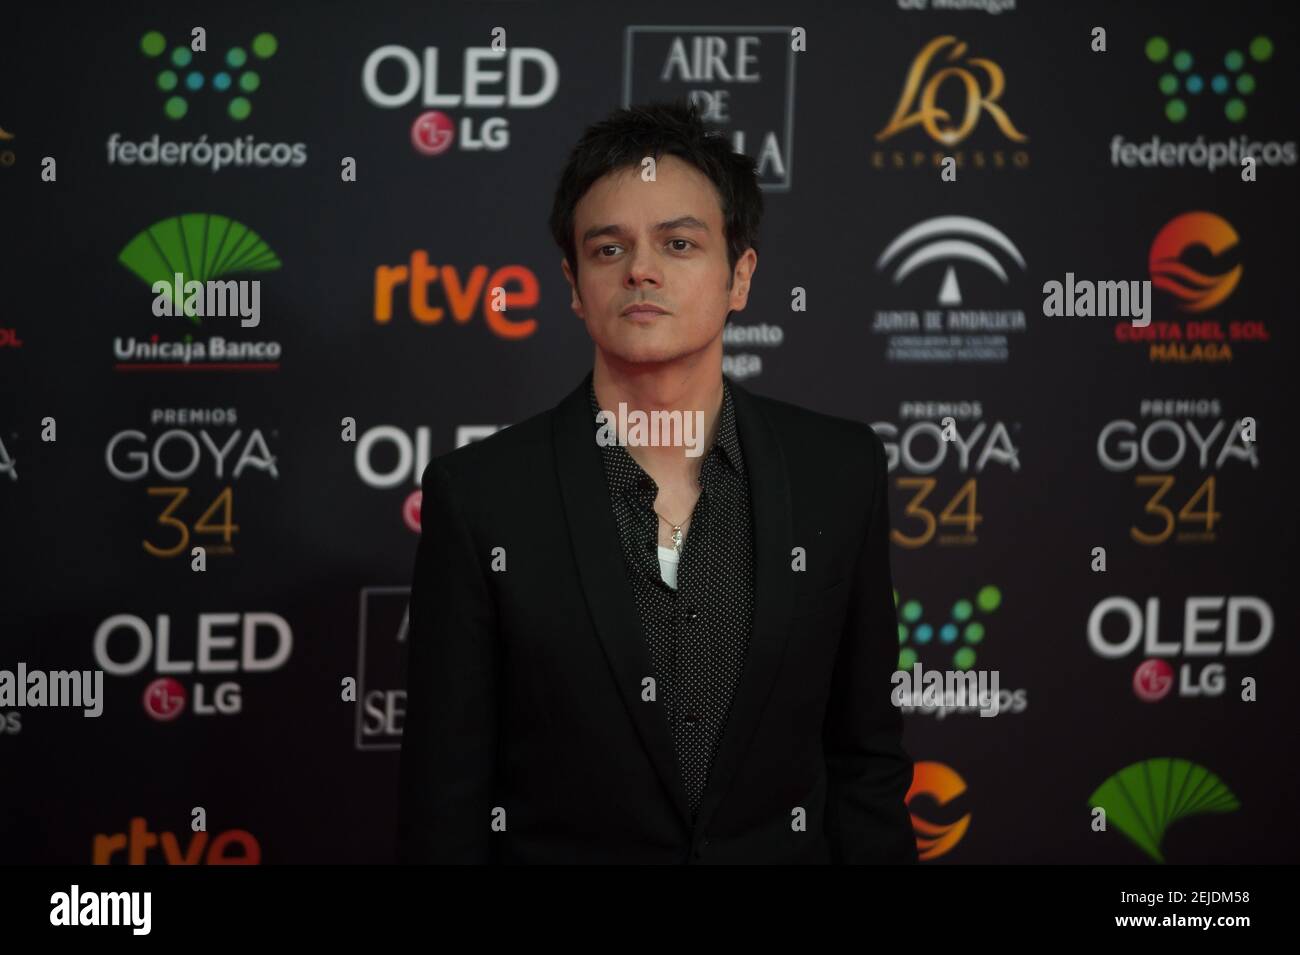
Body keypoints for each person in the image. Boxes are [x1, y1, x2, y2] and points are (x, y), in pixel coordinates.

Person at [397, 100, 917, 864]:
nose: (640, 269)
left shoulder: (839, 472)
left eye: (678, 243)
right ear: (574, 285)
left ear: (740, 275)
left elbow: (865, 760)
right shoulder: (481, 497)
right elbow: (445, 798)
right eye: (608, 249)